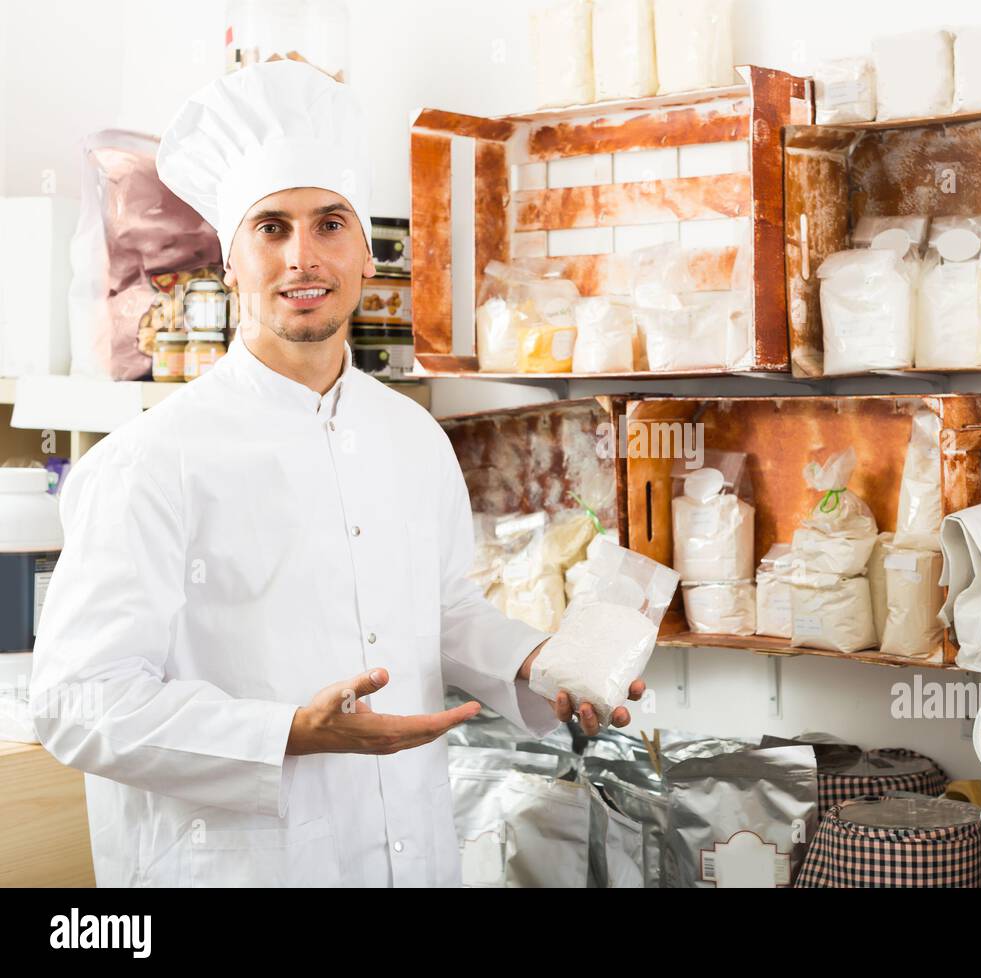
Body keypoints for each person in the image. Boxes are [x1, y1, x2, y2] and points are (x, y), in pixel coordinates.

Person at [30, 60, 642, 887]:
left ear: (366, 255)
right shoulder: (150, 463)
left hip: (407, 852)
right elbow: (77, 705)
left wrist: (538, 666)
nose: (303, 258)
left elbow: (441, 611)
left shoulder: (412, 437)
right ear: (231, 264)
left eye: (329, 224)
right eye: (271, 228)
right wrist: (286, 731)